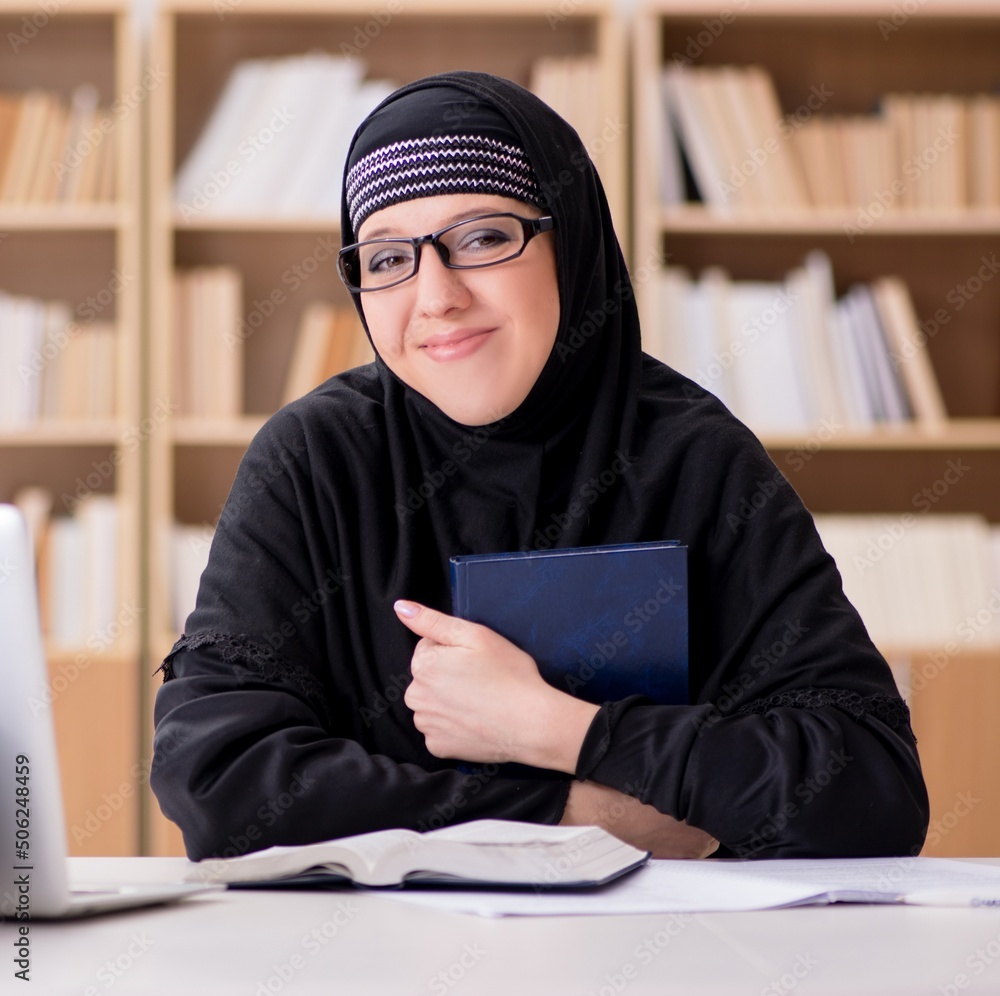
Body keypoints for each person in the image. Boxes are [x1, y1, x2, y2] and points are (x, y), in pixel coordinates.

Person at [151, 71, 928, 862]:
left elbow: (872, 791)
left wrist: (562, 730)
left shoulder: (696, 456)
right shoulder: (315, 460)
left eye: (484, 238)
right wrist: (577, 814)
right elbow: (220, 781)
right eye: (387, 259)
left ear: (573, 241)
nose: (435, 296)